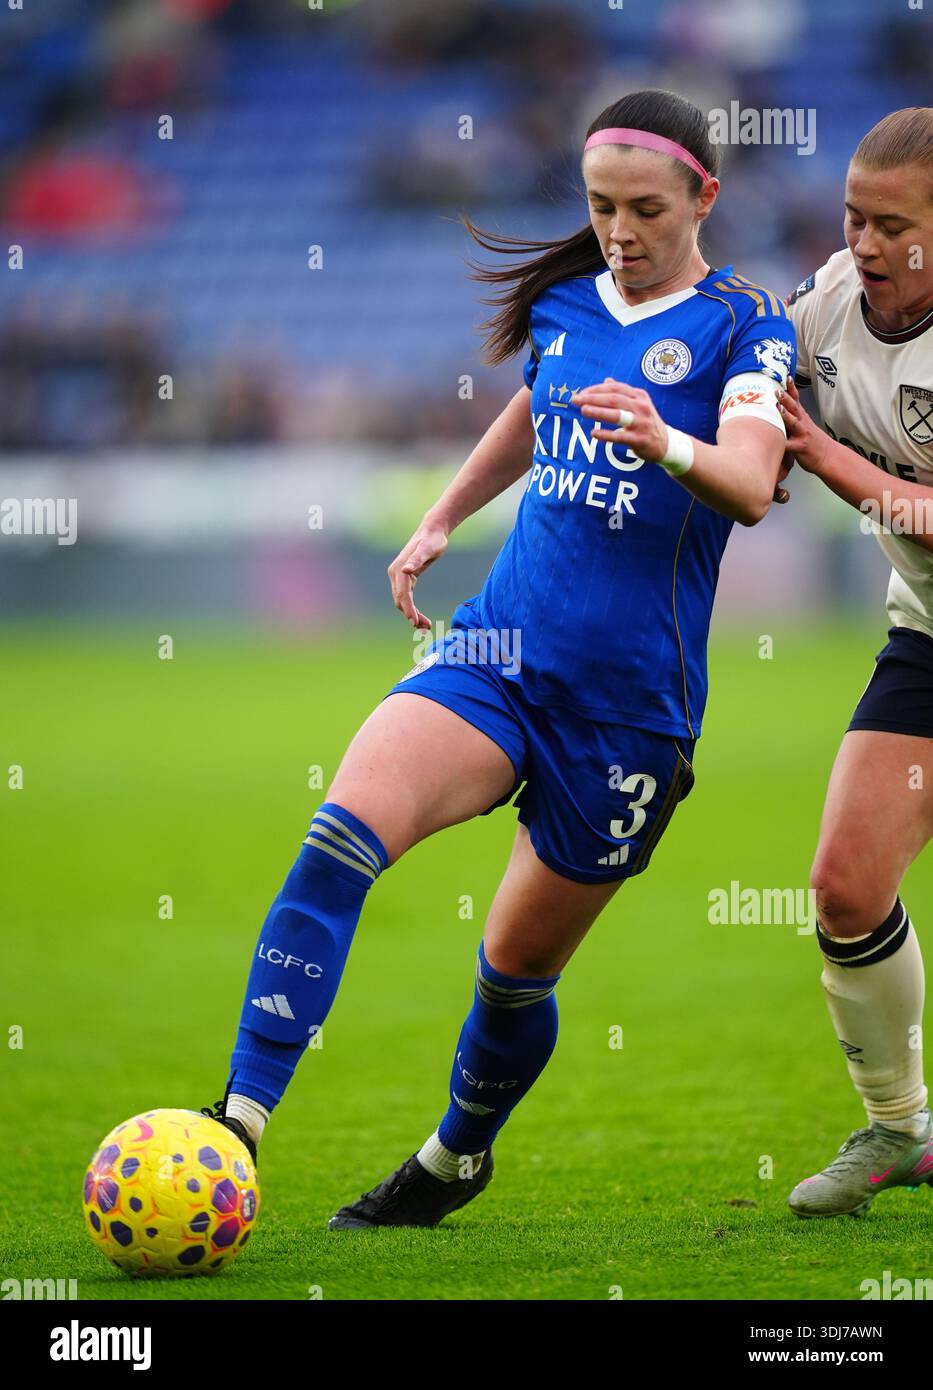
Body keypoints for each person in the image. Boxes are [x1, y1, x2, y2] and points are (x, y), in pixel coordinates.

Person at [204, 88, 795, 1229]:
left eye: (645, 209)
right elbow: (535, 410)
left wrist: (667, 439)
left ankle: (455, 1155)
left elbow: (753, 484)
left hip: (630, 710)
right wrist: (442, 515)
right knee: (338, 839)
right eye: (599, 205)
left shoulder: (744, 327)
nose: (619, 231)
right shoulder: (571, 304)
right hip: (498, 648)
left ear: (704, 197)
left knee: (514, 970)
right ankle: (238, 1119)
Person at [779, 107, 933, 1218]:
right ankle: (897, 1129)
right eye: (853, 218)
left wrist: (821, 455)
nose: (866, 244)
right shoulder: (827, 305)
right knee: (844, 883)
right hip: (926, 636)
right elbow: (750, 396)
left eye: (893, 224)